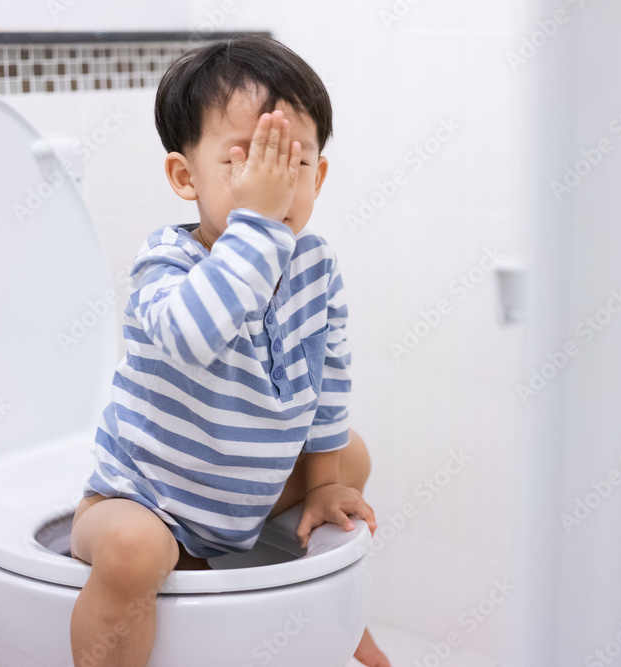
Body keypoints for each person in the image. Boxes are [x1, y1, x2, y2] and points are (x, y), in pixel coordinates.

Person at [68, 34, 392, 666]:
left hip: (246, 491)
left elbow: (329, 381)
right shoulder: (166, 263)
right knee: (134, 551)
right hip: (145, 497)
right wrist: (258, 227)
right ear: (185, 177)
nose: (272, 183)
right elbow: (194, 334)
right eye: (246, 163)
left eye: (291, 163)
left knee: (347, 454)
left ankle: (344, 632)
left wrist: (324, 484)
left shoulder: (315, 266)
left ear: (318, 176)